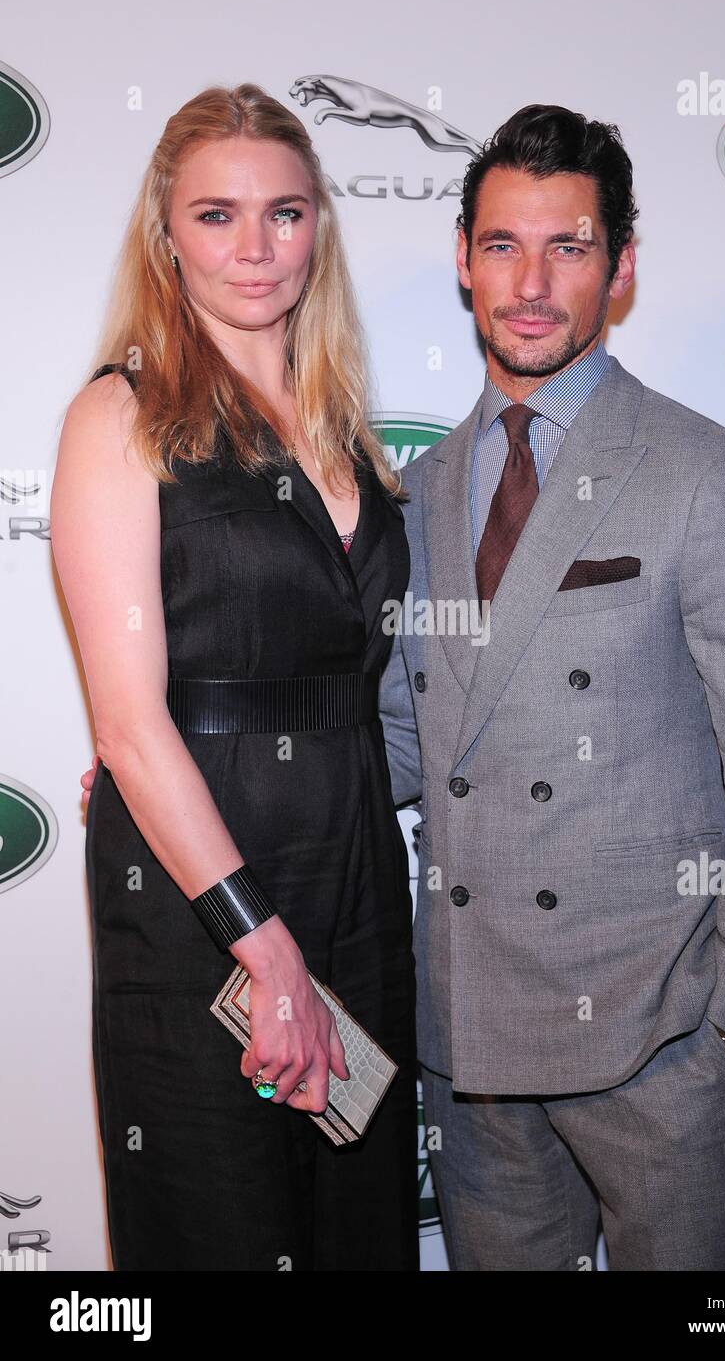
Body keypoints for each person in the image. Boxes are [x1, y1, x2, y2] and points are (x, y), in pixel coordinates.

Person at [376, 104, 725, 1270]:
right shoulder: (418, 491)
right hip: (471, 1037)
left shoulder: (712, 475)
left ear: (621, 265)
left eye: (569, 247)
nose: (531, 284)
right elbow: (401, 736)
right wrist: (200, 763)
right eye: (501, 245)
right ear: (463, 260)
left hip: (661, 1040)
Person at [55, 83, 419, 1271]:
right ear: (167, 235)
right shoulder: (122, 416)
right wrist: (264, 953)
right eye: (217, 216)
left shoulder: (347, 430)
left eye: (286, 213)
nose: (256, 249)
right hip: (206, 907)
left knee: (353, 1233)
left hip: (358, 879)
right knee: (219, 1236)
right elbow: (131, 719)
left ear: (321, 226)